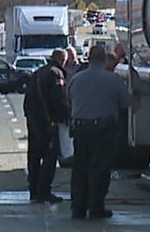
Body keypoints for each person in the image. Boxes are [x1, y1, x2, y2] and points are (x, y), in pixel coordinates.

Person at [66, 44, 130, 219]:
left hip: (80, 129)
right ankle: (96, 207)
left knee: (80, 169)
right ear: (104, 60)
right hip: (103, 130)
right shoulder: (112, 80)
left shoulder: (76, 79)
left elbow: (69, 99)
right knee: (99, 168)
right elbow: (126, 102)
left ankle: (78, 208)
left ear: (89, 58)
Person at [23, 49, 69, 204]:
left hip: (33, 120)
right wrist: (65, 116)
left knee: (34, 156)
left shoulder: (37, 73)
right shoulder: (56, 74)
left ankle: (33, 190)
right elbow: (59, 99)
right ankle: (44, 191)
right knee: (50, 157)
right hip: (47, 121)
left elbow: (27, 98)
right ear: (62, 60)